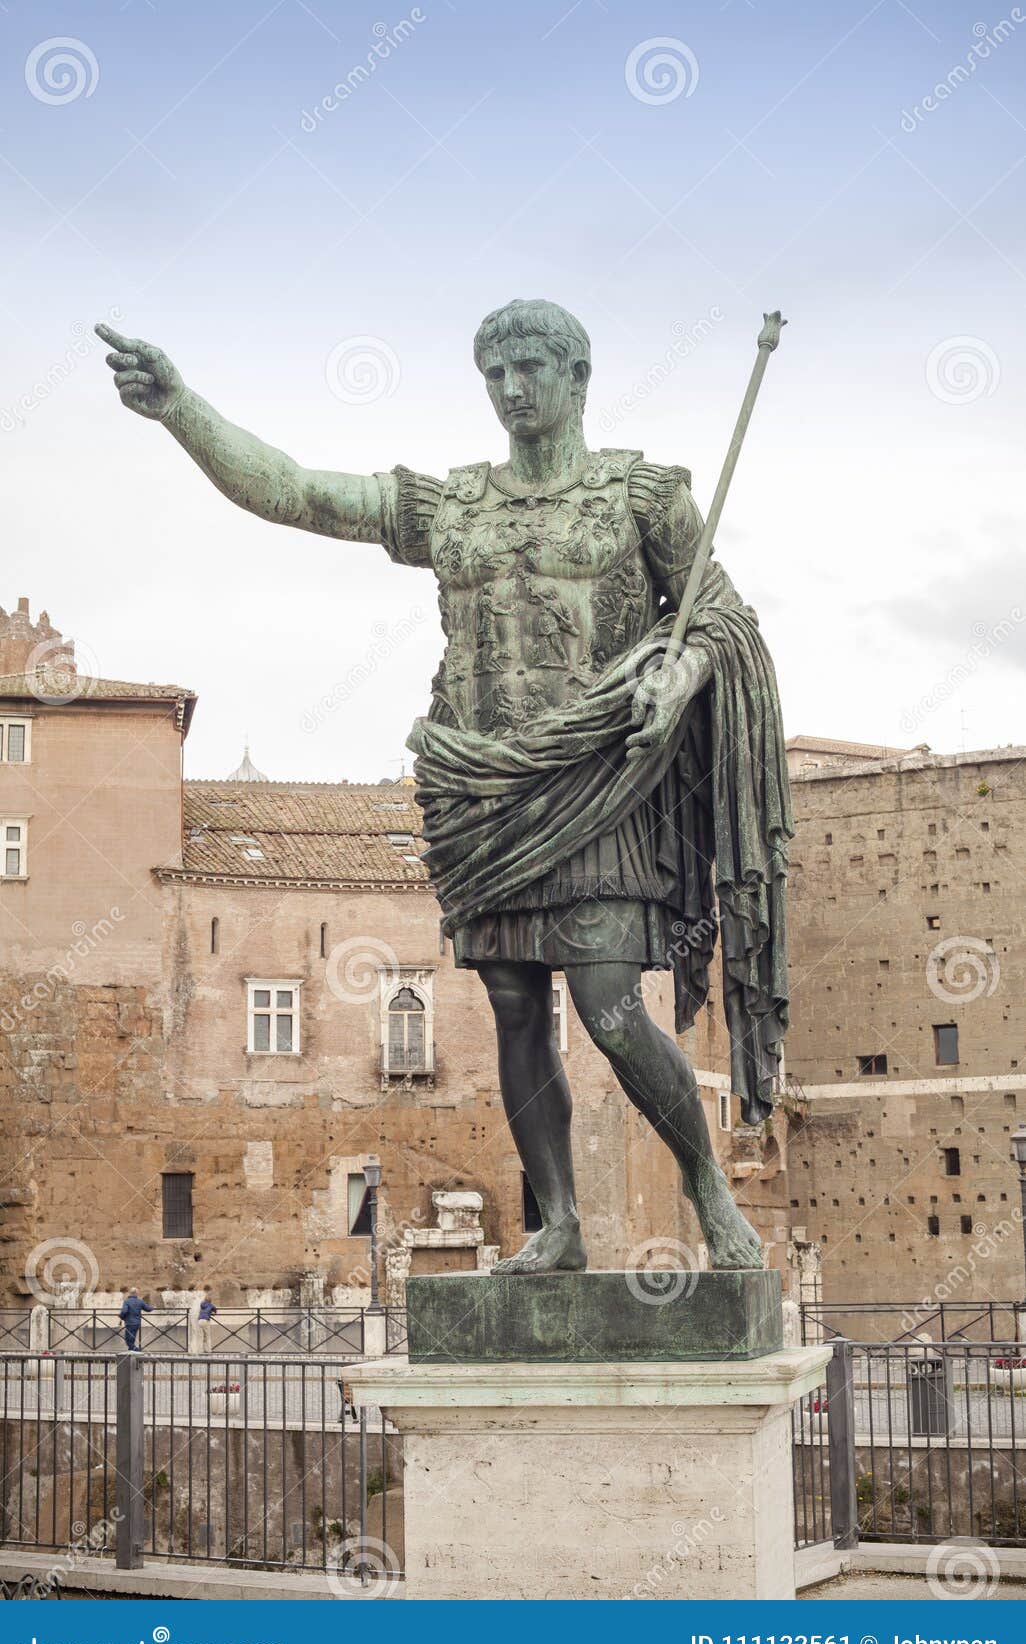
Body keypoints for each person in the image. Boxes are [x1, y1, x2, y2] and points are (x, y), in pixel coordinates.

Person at [95, 299, 790, 1275]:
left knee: (608, 1004)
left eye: (530, 369)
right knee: (512, 1003)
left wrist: (678, 674)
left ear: (578, 377)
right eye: (493, 372)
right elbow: (297, 491)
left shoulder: (642, 494)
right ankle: (558, 1223)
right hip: (480, 790)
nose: (510, 389)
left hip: (595, 781)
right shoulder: (455, 505)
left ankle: (708, 1189)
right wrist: (181, 410)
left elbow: (719, 614)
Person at [197, 1290, 217, 1355]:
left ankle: (200, 1350)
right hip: (205, 1320)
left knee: (201, 1336)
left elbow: (202, 1309)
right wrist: (213, 1312)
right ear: (210, 1300)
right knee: (207, 1336)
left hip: (199, 1320)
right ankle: (208, 1350)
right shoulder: (211, 1305)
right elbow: (215, 1310)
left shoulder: (202, 1304)